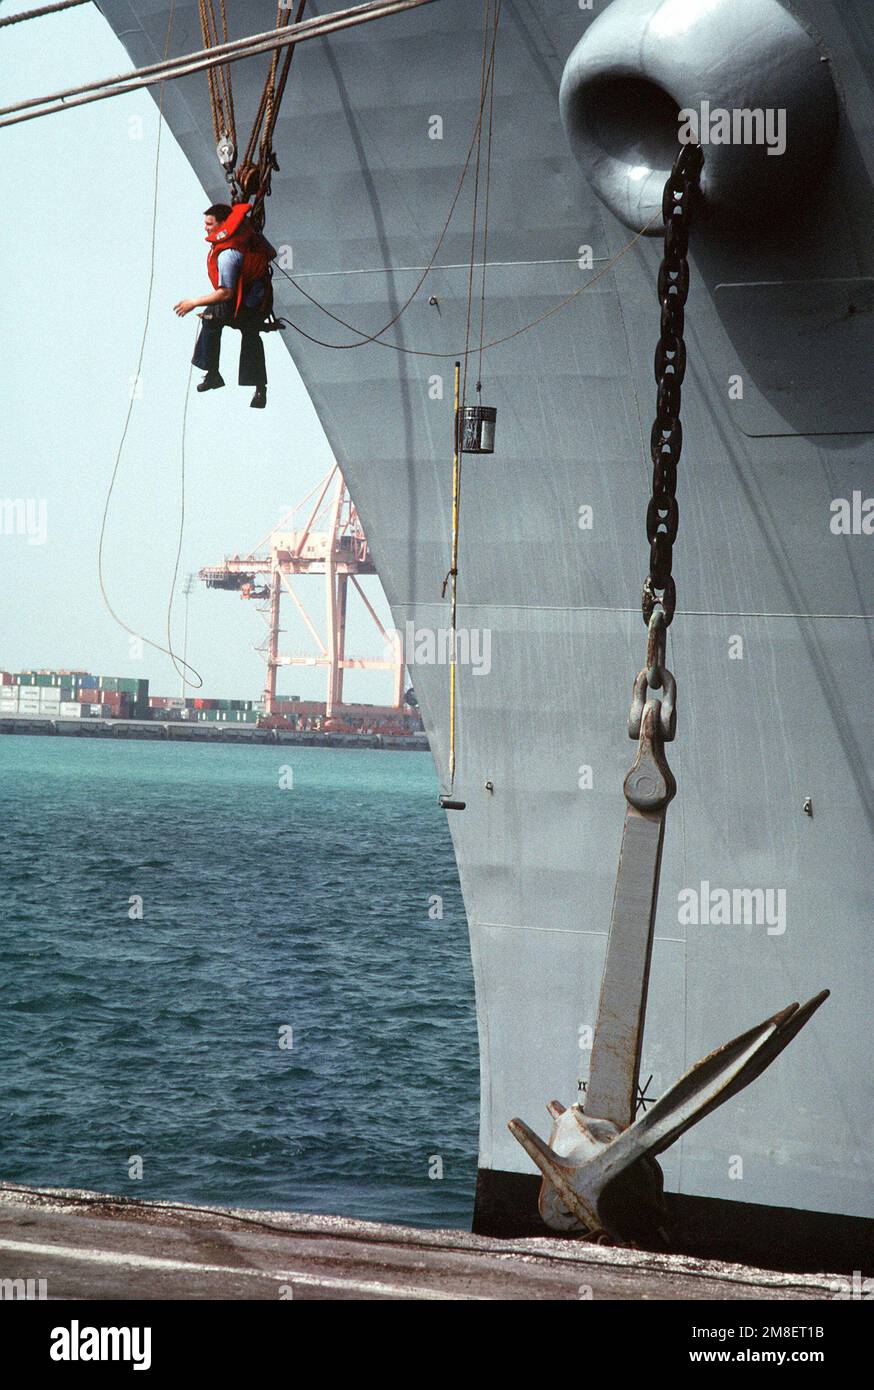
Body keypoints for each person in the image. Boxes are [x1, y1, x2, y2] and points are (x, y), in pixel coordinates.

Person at [174, 203, 275, 408]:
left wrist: (192, 303)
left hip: (251, 303)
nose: (206, 228)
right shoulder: (244, 235)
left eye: (209, 224)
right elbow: (271, 252)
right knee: (223, 322)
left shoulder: (228, 254)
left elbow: (225, 293)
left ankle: (243, 383)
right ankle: (226, 378)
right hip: (251, 296)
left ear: (222, 224)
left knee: (237, 326)